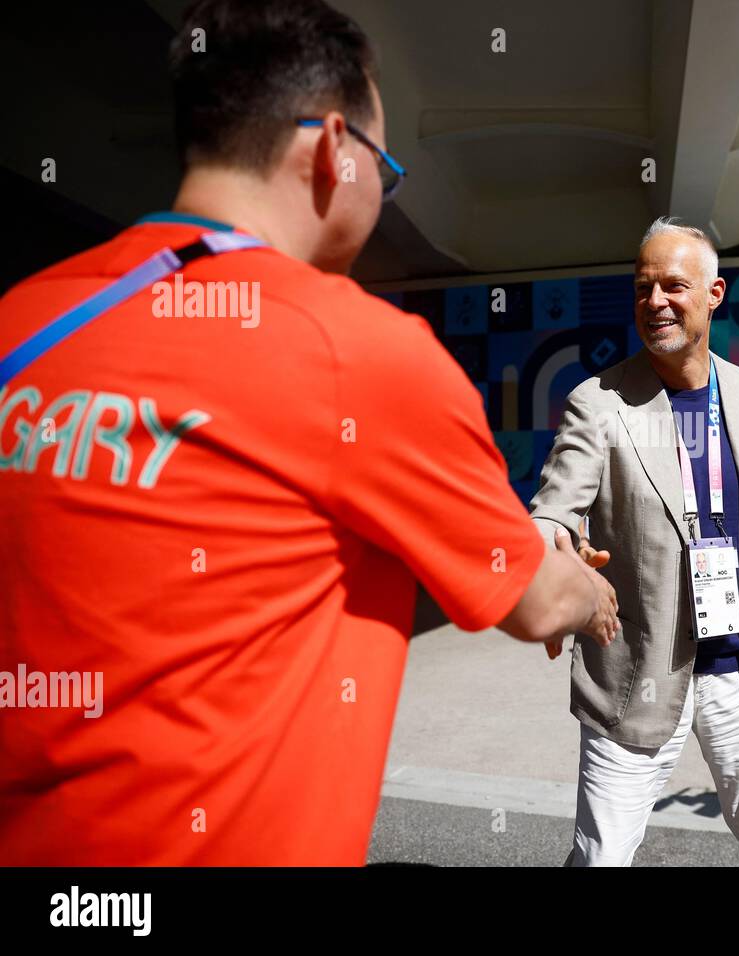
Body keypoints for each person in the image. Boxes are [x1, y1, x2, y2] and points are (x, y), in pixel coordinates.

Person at [0, 0, 616, 866]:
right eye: (388, 170)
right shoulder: (355, 349)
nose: (383, 188)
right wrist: (594, 595)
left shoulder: (24, 321)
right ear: (334, 150)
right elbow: (536, 599)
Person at [530, 217, 739, 867]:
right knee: (600, 859)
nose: (655, 302)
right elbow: (554, 509)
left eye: (673, 286)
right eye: (642, 289)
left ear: (714, 295)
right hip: (637, 672)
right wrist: (553, 554)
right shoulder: (599, 403)